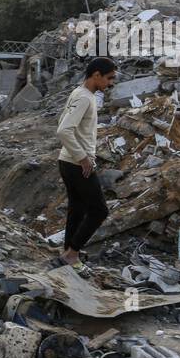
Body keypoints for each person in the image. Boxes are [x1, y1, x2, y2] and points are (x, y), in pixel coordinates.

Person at [57, 58, 118, 267]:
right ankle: (72, 253)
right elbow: (63, 129)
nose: (111, 83)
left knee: (78, 208)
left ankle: (68, 252)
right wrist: (83, 158)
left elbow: (63, 122)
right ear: (96, 75)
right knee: (99, 210)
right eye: (109, 78)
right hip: (76, 163)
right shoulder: (84, 97)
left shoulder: (81, 94)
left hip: (68, 160)